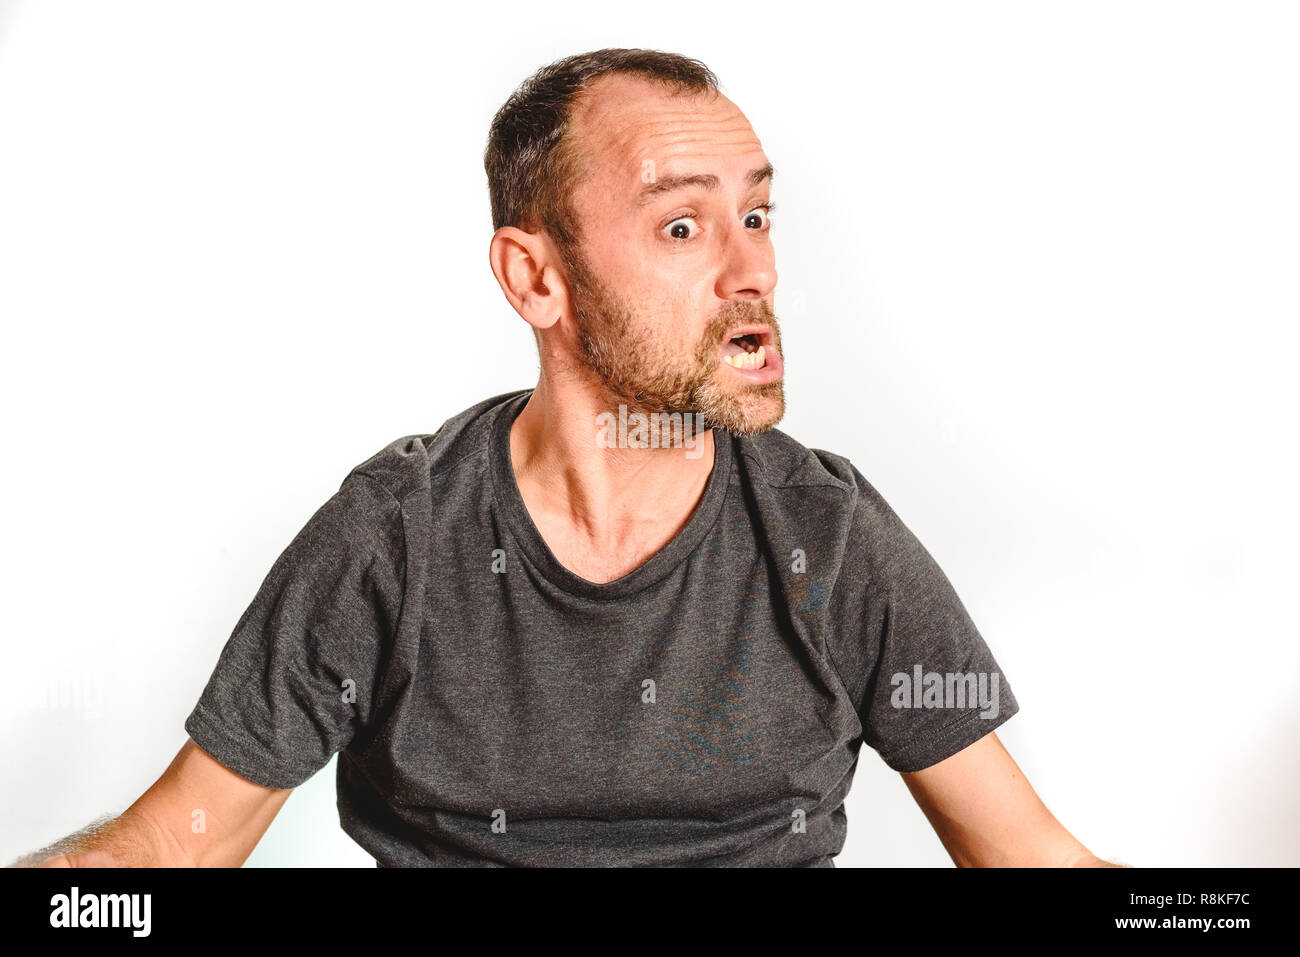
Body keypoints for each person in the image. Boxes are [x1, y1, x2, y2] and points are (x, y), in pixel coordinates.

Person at [15, 48, 1118, 868]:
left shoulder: (825, 537)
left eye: (759, 214)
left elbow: (1028, 857)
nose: (755, 271)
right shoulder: (395, 539)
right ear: (536, 279)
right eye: (682, 228)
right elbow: (166, 850)